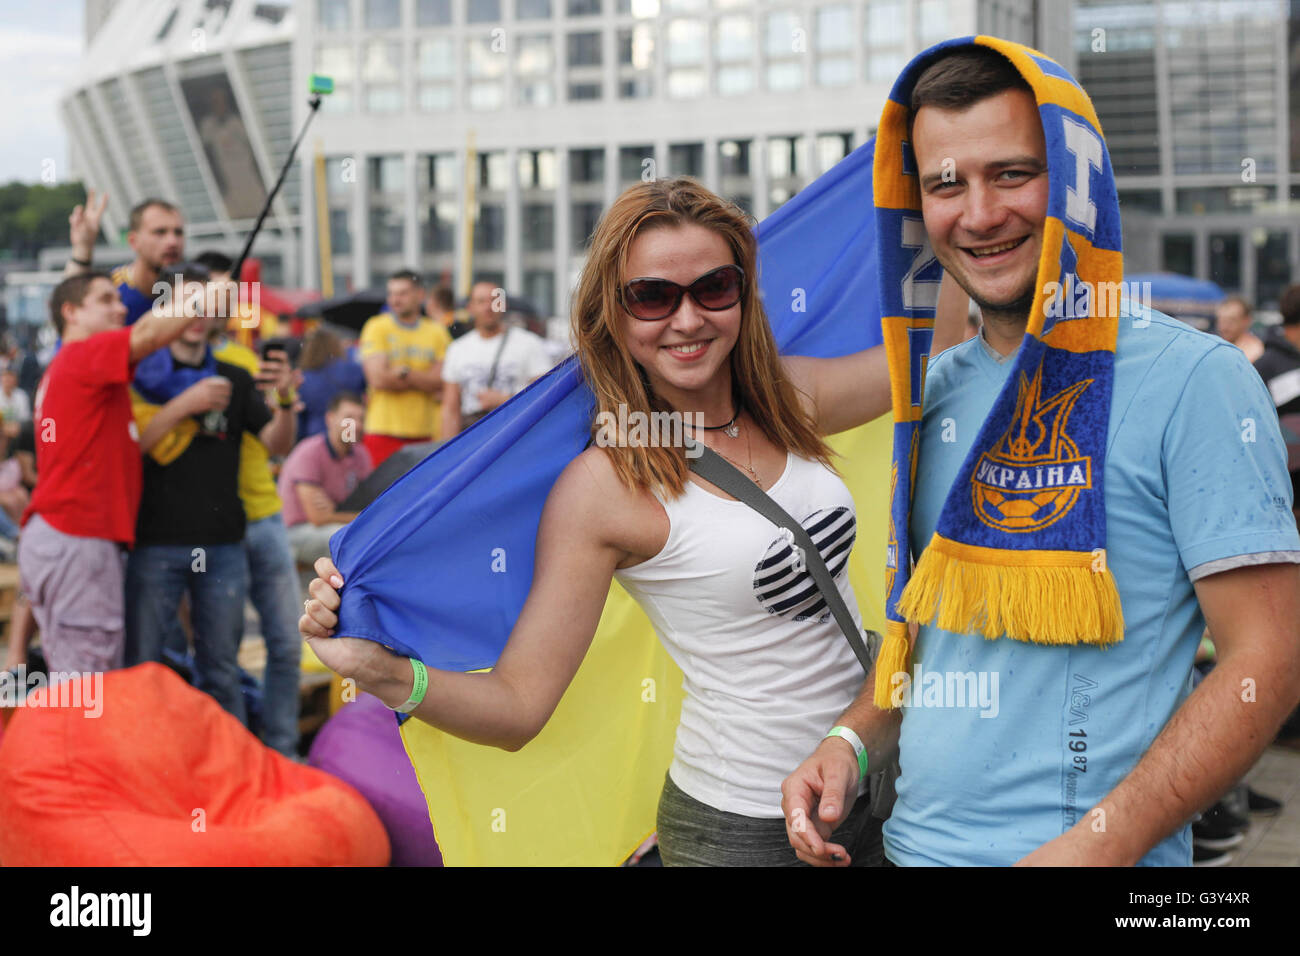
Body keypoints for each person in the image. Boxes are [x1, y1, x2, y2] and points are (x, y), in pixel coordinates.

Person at [300, 177, 965, 867]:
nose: (687, 319)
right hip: (744, 829)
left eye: (713, 288)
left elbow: (933, 363)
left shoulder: (789, 398)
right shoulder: (604, 486)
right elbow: (520, 705)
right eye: (652, 296)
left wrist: (929, 197)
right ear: (611, 315)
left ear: (743, 293)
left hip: (870, 779)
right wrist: (379, 671)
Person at [780, 42, 1300, 867]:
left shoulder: (1199, 380)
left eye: (1012, 174)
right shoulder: (929, 394)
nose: (979, 214)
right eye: (946, 183)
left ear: (1077, 182)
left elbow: (1269, 659)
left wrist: (1100, 845)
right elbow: (933, 653)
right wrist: (849, 740)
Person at [17, 271, 208, 674]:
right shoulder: (84, 356)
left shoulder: (71, 364)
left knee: (75, 678)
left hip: (64, 536)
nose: (120, 307)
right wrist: (201, 299)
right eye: (106, 300)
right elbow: (146, 336)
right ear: (71, 313)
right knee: (90, 683)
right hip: (78, 538)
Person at [125, 274, 296, 723]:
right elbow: (131, 449)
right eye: (186, 306)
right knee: (146, 664)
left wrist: (285, 400)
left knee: (221, 666)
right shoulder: (141, 374)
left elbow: (277, 444)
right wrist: (186, 404)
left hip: (222, 543)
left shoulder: (234, 376)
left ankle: (232, 774)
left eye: (203, 306)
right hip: (155, 541)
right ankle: (152, 769)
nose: (196, 317)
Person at [189, 250, 305, 757]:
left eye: (226, 293)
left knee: (285, 643)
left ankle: (281, 752)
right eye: (211, 292)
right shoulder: (169, 362)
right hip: (210, 529)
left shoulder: (241, 361)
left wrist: (284, 400)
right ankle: (236, 757)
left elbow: (277, 441)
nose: (220, 303)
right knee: (218, 653)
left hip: (263, 515)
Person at [359, 270, 452, 466]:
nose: (395, 299)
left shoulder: (437, 332)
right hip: (382, 431)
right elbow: (377, 378)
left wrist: (404, 373)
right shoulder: (377, 327)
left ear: (420, 295)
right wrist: (423, 379)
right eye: (392, 294)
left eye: (402, 293)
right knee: (380, 495)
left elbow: (441, 383)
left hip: (425, 433)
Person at [440, 281, 555, 438]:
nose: (488, 307)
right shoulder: (457, 348)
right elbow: (450, 408)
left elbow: (546, 396)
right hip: (472, 436)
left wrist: (504, 400)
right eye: (481, 301)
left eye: (494, 301)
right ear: (470, 308)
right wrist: (448, 454)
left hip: (516, 435)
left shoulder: (530, 343)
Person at [279, 391, 374, 571]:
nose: (356, 425)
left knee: (363, 536)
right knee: (352, 540)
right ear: (330, 419)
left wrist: (338, 514)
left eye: (361, 419)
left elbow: (369, 504)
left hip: (336, 527)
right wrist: (359, 516)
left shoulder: (361, 454)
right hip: (295, 532)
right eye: (349, 418)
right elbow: (319, 517)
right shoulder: (310, 452)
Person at [297, 327, 367, 441]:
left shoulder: (303, 378)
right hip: (348, 430)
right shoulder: (351, 369)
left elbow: (300, 418)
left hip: (315, 434)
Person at [1216, 296, 1263, 362]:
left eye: (1231, 321)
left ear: (1247, 321)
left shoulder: (1255, 351)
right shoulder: (1214, 347)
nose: (1224, 326)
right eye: (1222, 321)